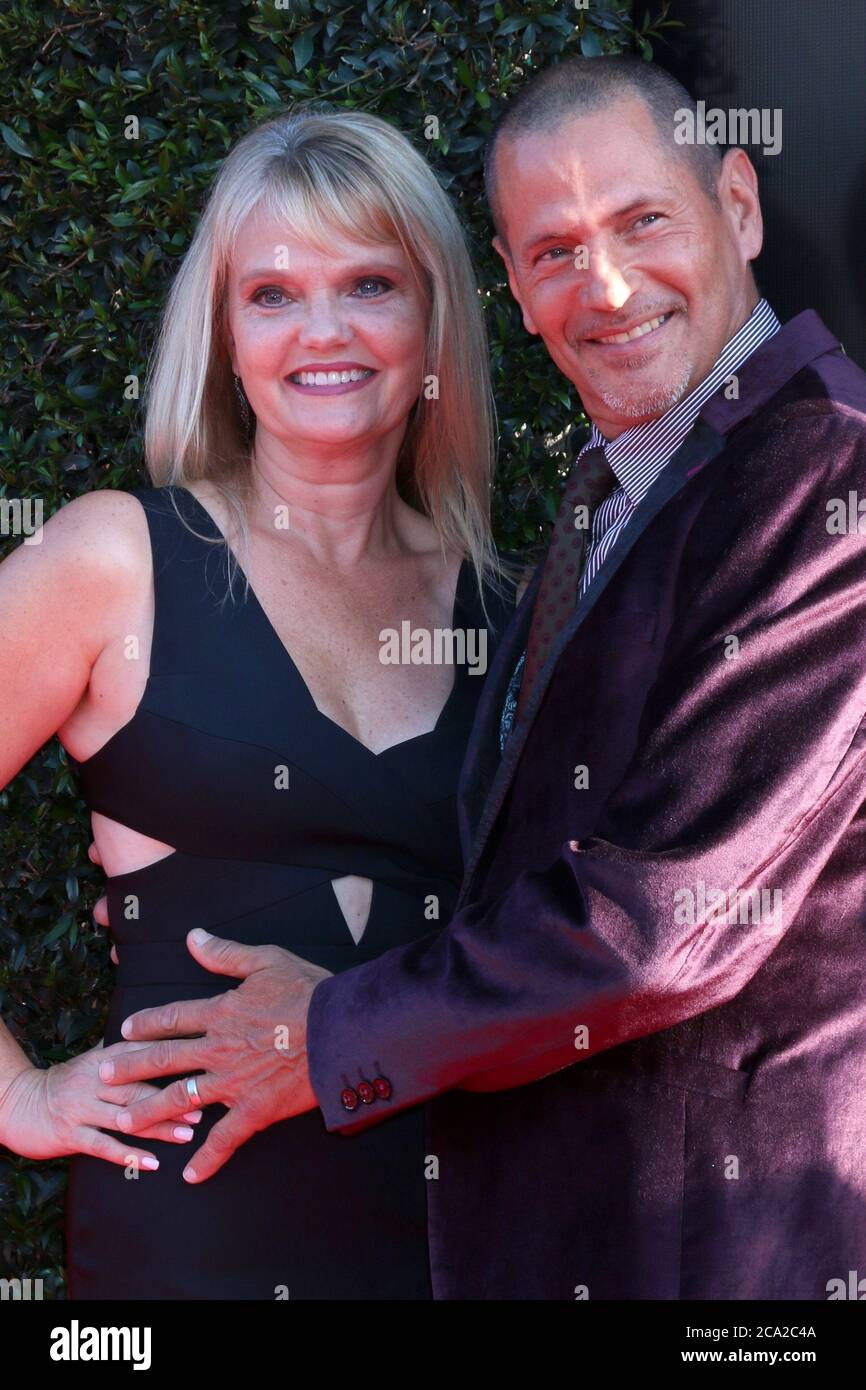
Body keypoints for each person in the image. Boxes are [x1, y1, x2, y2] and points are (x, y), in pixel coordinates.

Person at [91, 55, 866, 1300]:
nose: (603, 287)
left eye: (642, 222)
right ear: (508, 283)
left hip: (727, 1259)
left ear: (739, 205)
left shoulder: (825, 478)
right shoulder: (617, 485)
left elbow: (662, 918)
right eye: (552, 250)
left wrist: (324, 1031)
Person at [0, 104, 517, 1299]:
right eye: (272, 293)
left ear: (435, 317)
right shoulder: (115, 562)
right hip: (188, 1251)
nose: (321, 330)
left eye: (370, 284)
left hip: (468, 1246)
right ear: (225, 337)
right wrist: (23, 1096)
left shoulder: (521, 608)